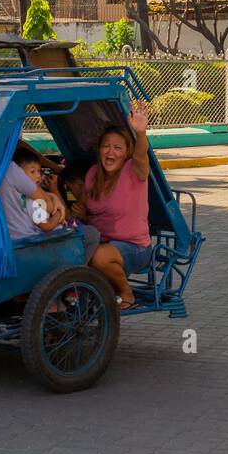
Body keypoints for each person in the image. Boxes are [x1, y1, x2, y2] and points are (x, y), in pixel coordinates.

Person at [84, 101, 152, 310]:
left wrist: (140, 133)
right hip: (101, 241)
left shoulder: (133, 170)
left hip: (134, 247)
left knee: (100, 257)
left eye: (117, 147)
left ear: (125, 153)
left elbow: (141, 156)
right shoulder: (93, 173)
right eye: (106, 146)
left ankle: (126, 293)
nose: (110, 152)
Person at [0, 148, 67, 241]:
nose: (38, 176)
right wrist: (59, 214)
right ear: (21, 175)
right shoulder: (33, 202)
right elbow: (47, 226)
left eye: (39, 171)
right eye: (32, 171)